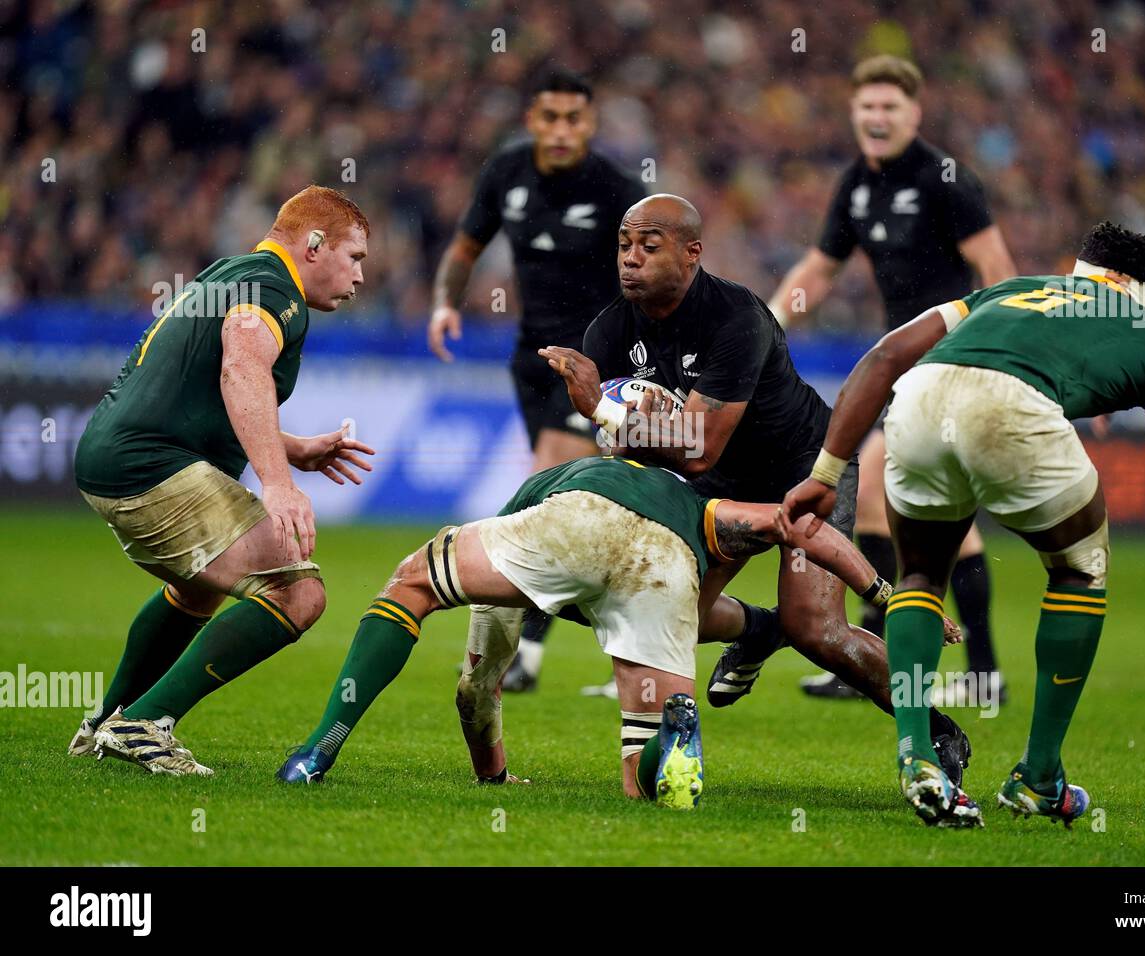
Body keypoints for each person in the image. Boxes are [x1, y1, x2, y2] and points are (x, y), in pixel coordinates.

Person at [780, 222, 1145, 828]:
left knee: (921, 572)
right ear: (1139, 289)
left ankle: (917, 755)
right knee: (1082, 568)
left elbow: (886, 357)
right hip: (1013, 406)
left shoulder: (1008, 292)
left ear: (1077, 271)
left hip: (921, 396)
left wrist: (826, 471)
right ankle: (1039, 776)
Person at [538, 193, 973, 786]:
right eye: (623, 245)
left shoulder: (735, 319)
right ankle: (758, 630)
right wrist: (616, 436)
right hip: (718, 487)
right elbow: (635, 450)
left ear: (692, 253)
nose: (629, 259)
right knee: (666, 615)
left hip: (808, 471)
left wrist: (604, 411)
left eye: (648, 245)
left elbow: (699, 447)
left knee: (816, 629)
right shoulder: (610, 330)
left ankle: (936, 732)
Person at [276, 455, 941, 806]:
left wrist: (493, 778)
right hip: (666, 570)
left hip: (575, 524)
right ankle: (667, 742)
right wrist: (879, 590)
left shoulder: (554, 484)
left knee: (412, 584)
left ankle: (318, 751)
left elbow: (476, 695)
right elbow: (797, 527)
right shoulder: (699, 499)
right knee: (636, 774)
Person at [71, 186, 375, 776]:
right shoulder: (274, 289)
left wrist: (293, 448)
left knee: (198, 590)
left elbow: (206, 392)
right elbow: (241, 364)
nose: (361, 275)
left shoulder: (233, 273)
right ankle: (145, 723)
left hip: (116, 457)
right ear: (314, 244)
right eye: (355, 256)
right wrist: (278, 481)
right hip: (152, 465)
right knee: (298, 593)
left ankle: (106, 721)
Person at [769, 55, 1017, 700]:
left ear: (915, 114)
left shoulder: (945, 178)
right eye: (867, 108)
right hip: (903, 371)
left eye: (890, 108)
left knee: (881, 488)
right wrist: (769, 323)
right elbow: (820, 269)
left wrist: (997, 356)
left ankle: (900, 658)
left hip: (952, 364)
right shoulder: (856, 183)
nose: (877, 119)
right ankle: (963, 670)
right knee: (914, 510)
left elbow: (996, 270)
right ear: (854, 114)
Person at [426, 68, 645, 692]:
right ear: (531, 120)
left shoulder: (615, 189)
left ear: (591, 124)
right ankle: (632, 646)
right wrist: (446, 303)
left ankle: (523, 654)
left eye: (573, 119)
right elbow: (466, 248)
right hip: (530, 357)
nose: (559, 131)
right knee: (586, 505)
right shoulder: (505, 173)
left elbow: (652, 272)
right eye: (548, 117)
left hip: (595, 363)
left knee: (546, 490)